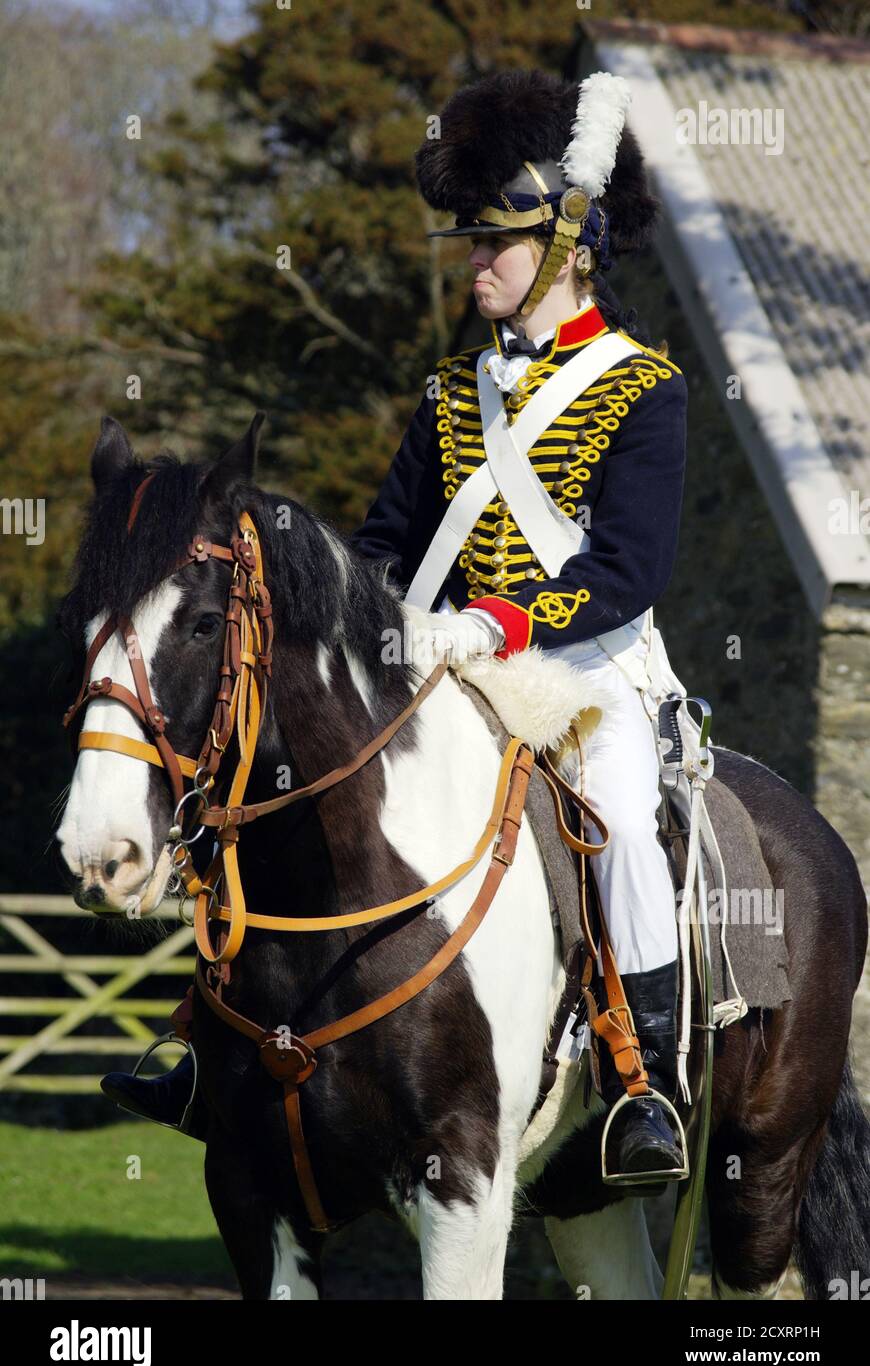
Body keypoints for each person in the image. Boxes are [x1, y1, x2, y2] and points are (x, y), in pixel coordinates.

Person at [103, 67, 688, 1182]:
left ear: (566, 245)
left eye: (494, 243)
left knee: (613, 807)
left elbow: (629, 569)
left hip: (585, 673)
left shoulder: (645, 386)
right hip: (449, 667)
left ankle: (641, 1081)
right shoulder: (450, 393)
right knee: (294, 785)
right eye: (470, 241)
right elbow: (383, 550)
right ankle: (206, 1034)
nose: (474, 261)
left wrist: (504, 622)